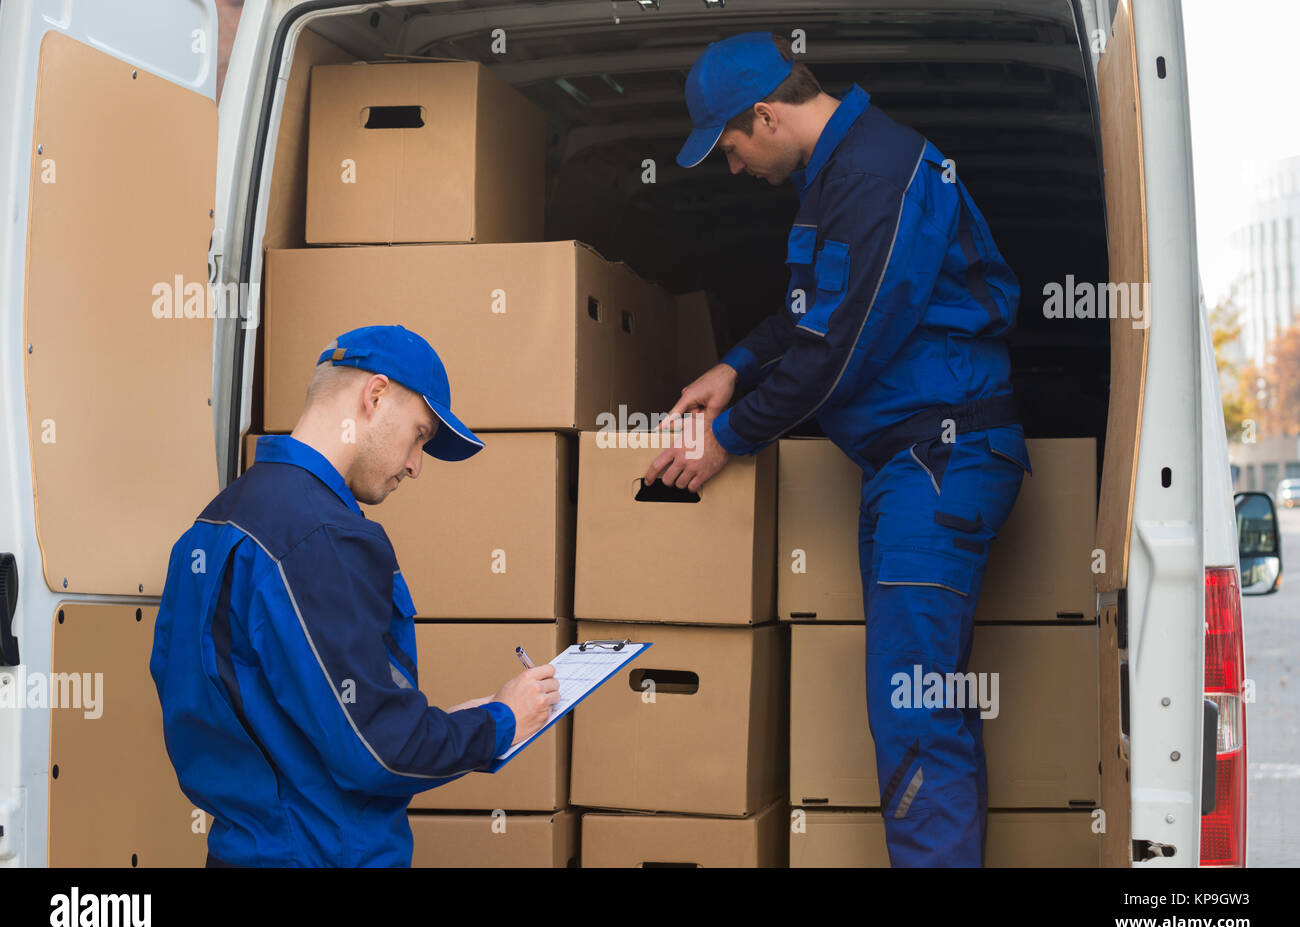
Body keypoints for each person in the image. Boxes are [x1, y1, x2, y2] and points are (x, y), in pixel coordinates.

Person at [646, 32, 1033, 867]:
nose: (733, 167)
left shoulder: (876, 173)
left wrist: (727, 439)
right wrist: (732, 365)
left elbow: (837, 352)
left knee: (914, 706)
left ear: (765, 114)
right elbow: (806, 315)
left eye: (730, 146)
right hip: (912, 467)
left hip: (942, 461)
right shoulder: (841, 175)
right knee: (918, 700)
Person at [150, 324, 559, 867]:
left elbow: (292, 717)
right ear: (375, 396)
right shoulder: (322, 536)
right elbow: (376, 753)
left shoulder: (214, 524)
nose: (416, 464)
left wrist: (440, 723)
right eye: (419, 435)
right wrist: (500, 723)